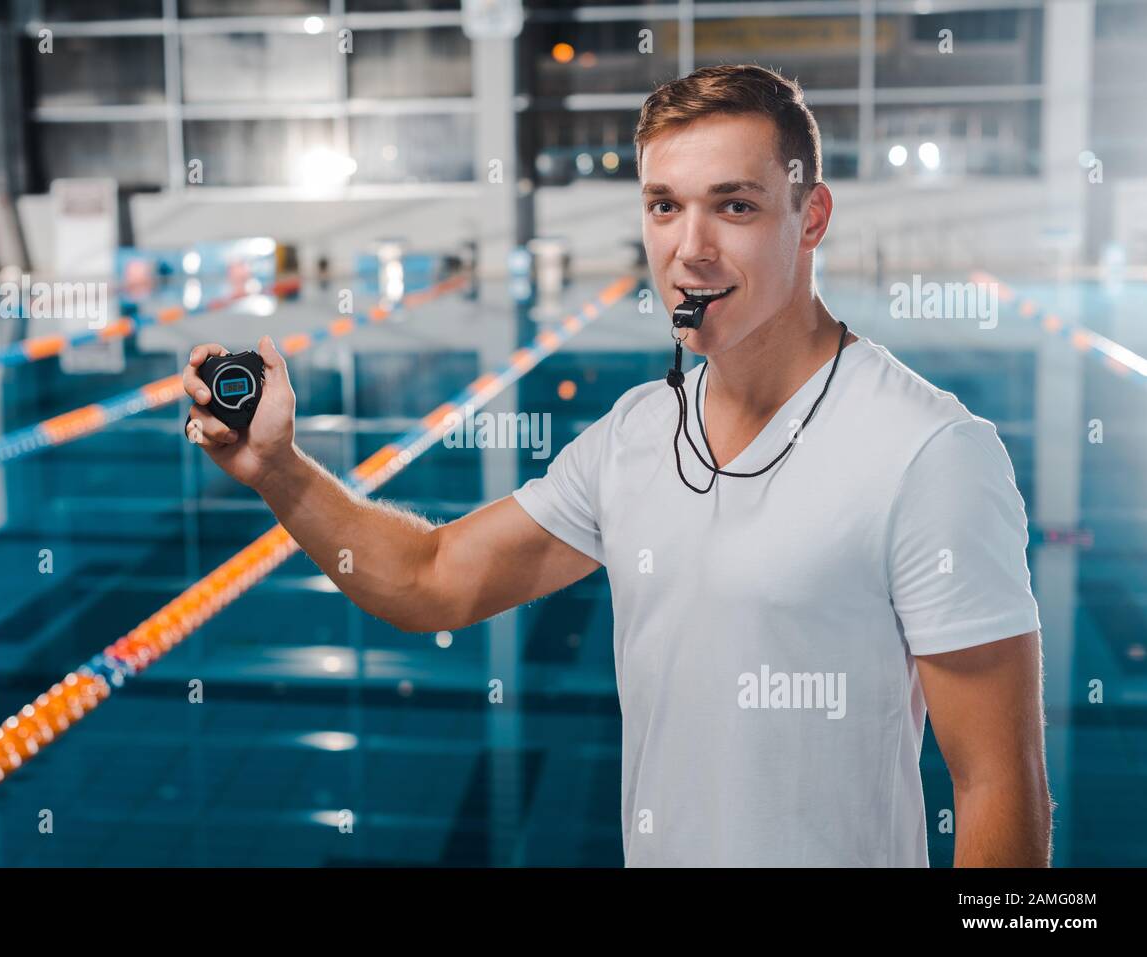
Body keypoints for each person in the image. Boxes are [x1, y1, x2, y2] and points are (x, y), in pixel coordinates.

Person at [183, 64, 1051, 868]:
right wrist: (280, 470)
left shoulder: (929, 452)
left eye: (735, 207)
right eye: (664, 206)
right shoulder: (638, 433)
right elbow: (432, 578)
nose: (690, 248)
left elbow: (997, 786)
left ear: (811, 215)